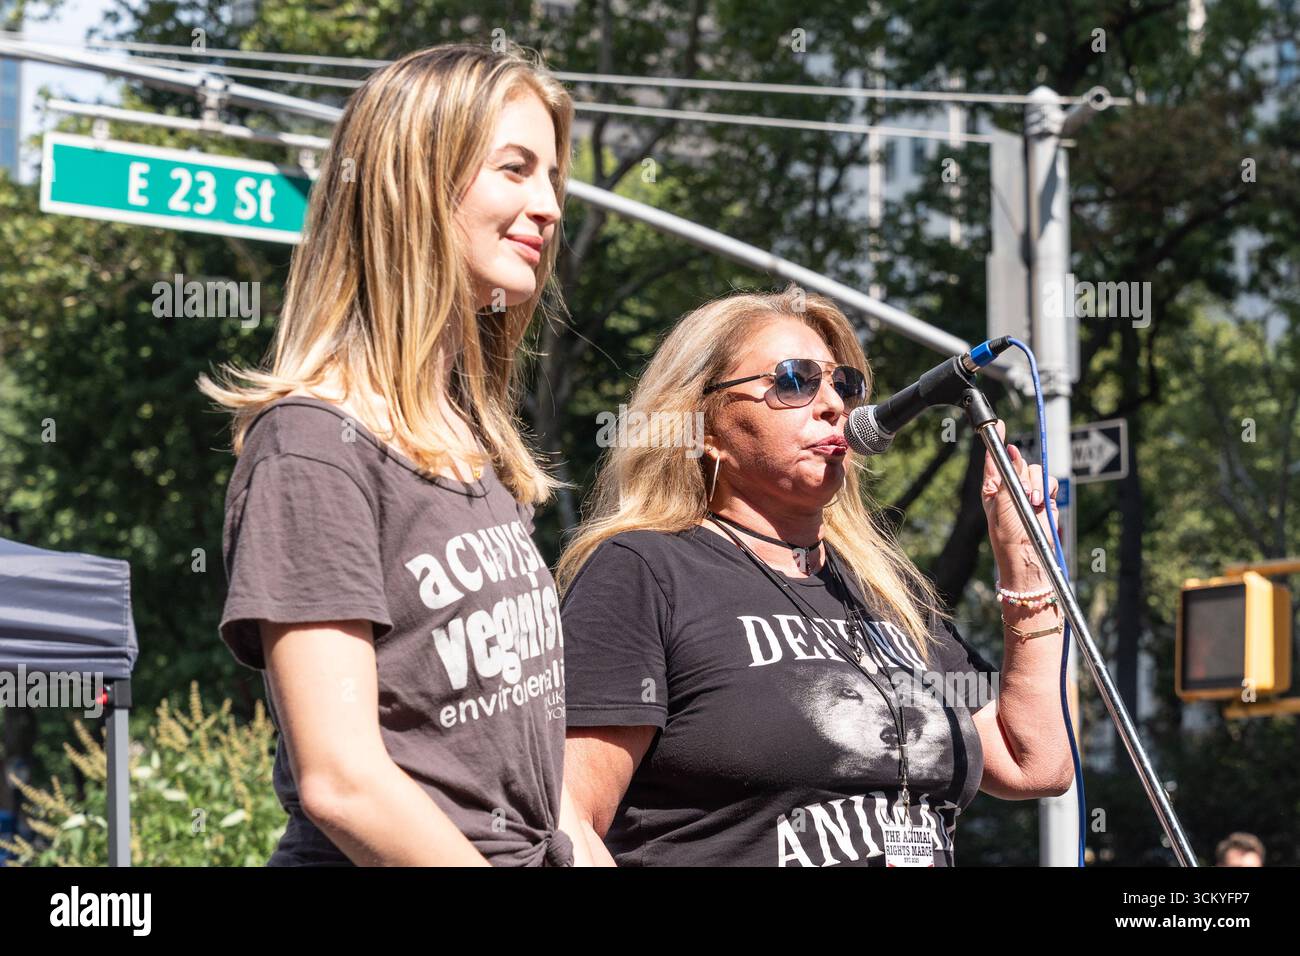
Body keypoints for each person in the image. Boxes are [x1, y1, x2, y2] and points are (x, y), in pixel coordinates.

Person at [200, 42, 585, 866]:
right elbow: (342, 781)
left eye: (551, 177)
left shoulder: (470, 449)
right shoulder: (311, 446)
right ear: (413, 188)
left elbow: (533, 774)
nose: (549, 205)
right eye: (514, 170)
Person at [558, 285, 1076, 867]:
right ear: (703, 429)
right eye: (794, 380)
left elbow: (1035, 760)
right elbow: (568, 816)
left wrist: (1026, 569)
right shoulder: (646, 571)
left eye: (843, 383)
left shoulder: (884, 593)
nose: (833, 402)